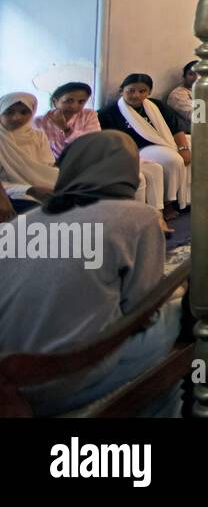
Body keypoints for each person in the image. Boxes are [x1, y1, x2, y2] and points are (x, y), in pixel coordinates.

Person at [0, 131, 183, 417]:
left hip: (11, 384)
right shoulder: (137, 217)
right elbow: (143, 310)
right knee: (185, 319)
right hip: (69, 377)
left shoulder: (19, 224)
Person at [36, 83, 166, 212]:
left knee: (154, 168)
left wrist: (66, 129)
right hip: (69, 166)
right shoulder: (39, 122)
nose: (75, 106)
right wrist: (64, 128)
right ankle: (133, 217)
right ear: (55, 101)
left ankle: (156, 214)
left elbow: (91, 143)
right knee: (137, 177)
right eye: (69, 101)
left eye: (81, 102)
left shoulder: (89, 115)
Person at [98, 74, 192, 215]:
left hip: (165, 143)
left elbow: (175, 129)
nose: (136, 95)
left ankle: (190, 199)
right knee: (173, 160)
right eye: (131, 90)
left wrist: (183, 148)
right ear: (121, 90)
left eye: (142, 91)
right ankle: (168, 203)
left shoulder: (156, 105)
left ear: (149, 93)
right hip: (138, 150)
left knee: (198, 150)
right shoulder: (109, 112)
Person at [1, 92, 60, 204]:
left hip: (43, 185)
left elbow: (47, 166)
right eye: (9, 112)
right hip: (9, 193)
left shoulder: (38, 135)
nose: (17, 118)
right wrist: (29, 189)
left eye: (24, 112)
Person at [166, 61, 198, 132]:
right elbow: (197, 117)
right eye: (191, 74)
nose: (196, 78)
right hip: (190, 135)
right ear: (184, 77)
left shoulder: (205, 91)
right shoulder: (177, 94)